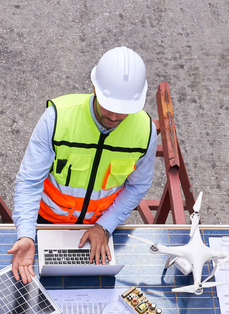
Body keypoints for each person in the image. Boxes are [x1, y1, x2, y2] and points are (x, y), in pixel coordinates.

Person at [8, 46, 158, 283]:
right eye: (109, 106)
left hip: (99, 228)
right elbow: (29, 180)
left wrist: (105, 225)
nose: (115, 117)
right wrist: (26, 234)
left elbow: (138, 186)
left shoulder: (145, 132)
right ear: (94, 88)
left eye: (124, 111)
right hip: (47, 224)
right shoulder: (57, 119)